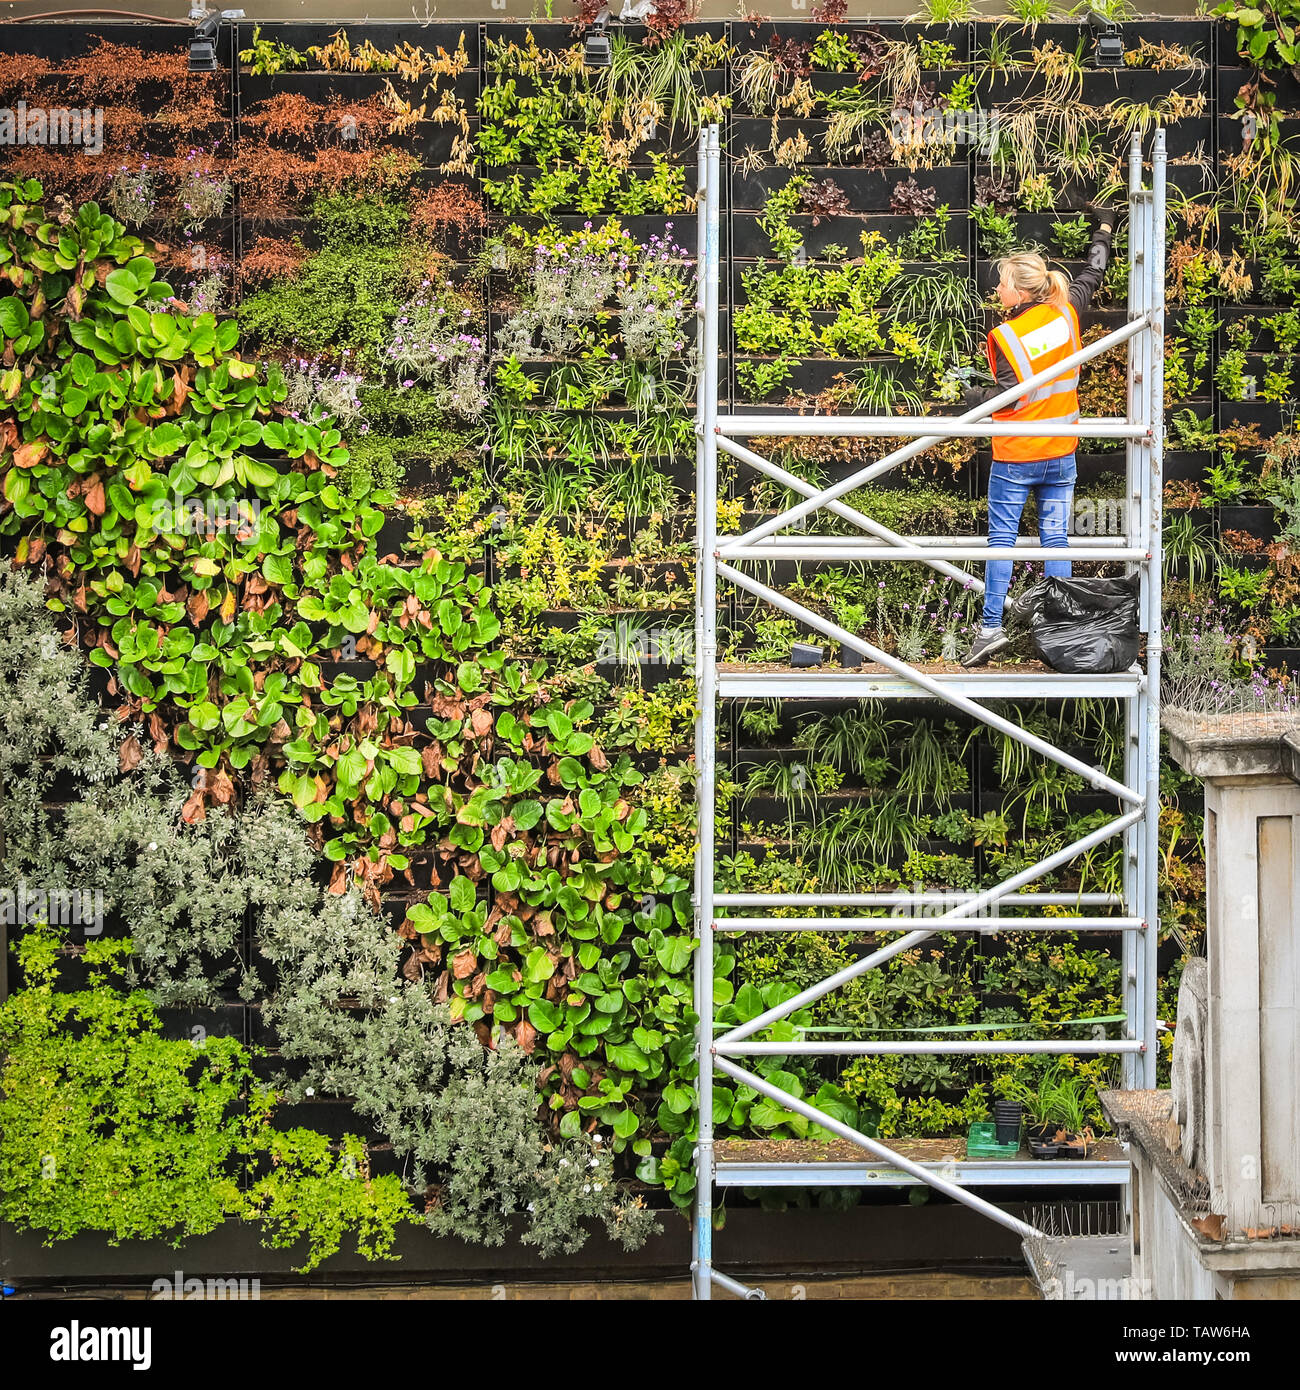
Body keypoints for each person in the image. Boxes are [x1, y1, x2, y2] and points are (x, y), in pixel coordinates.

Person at [959, 207, 1118, 668]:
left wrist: (970, 392)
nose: (998, 289)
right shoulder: (1066, 312)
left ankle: (990, 629)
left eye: (1003, 283)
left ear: (1021, 290)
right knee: (1056, 540)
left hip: (1016, 457)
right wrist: (1104, 229)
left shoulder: (1008, 335)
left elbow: (1006, 399)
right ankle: (1062, 629)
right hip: (1061, 453)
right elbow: (1093, 272)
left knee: (1001, 542)